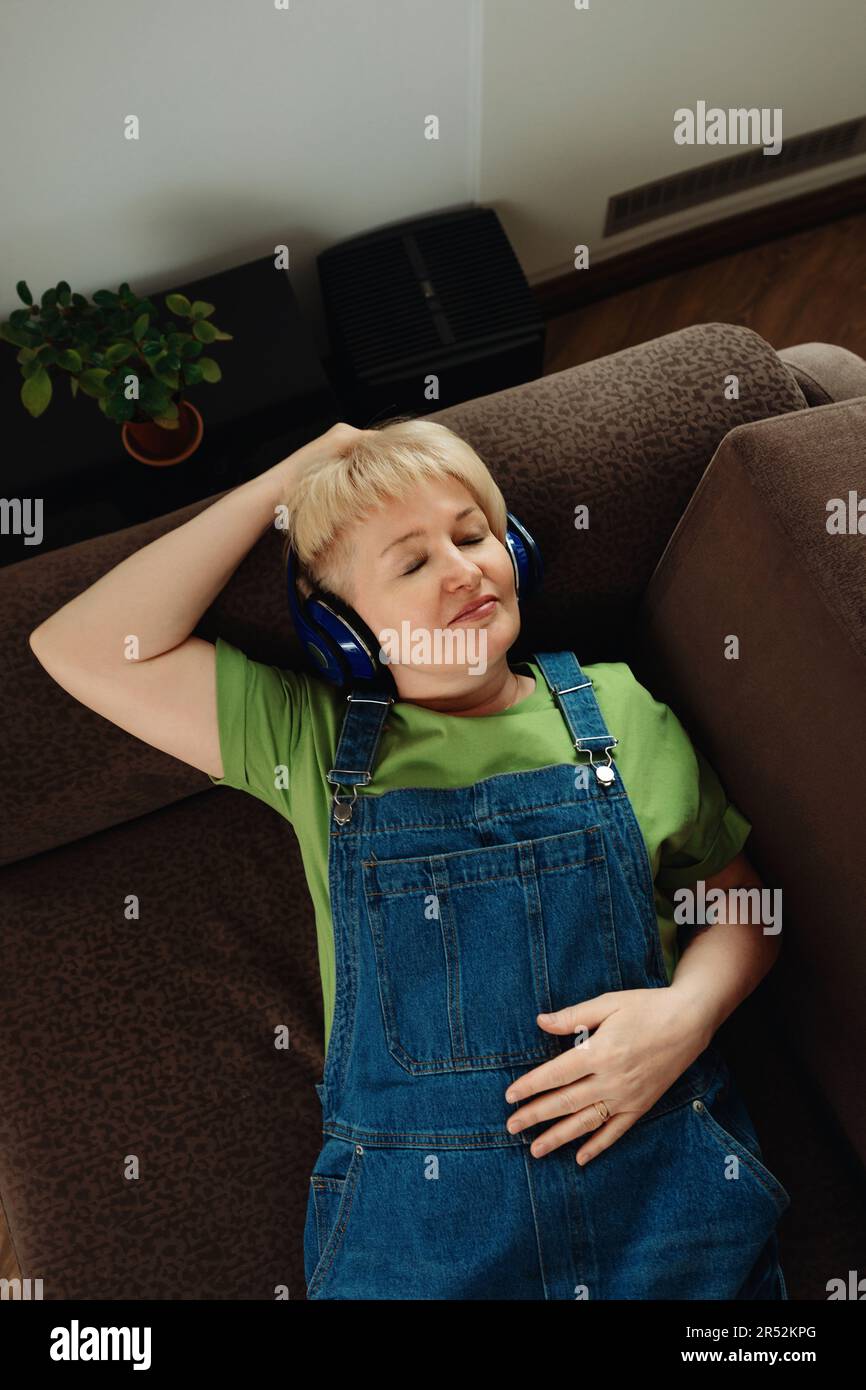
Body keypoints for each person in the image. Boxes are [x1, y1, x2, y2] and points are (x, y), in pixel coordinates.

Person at [29, 417, 790, 1300]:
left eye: (474, 535)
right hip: (420, 1241)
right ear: (345, 630)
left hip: (661, 1189)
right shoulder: (309, 746)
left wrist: (686, 1016)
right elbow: (81, 646)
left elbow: (744, 905)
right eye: (413, 563)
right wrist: (287, 480)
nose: (463, 569)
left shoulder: (617, 707)